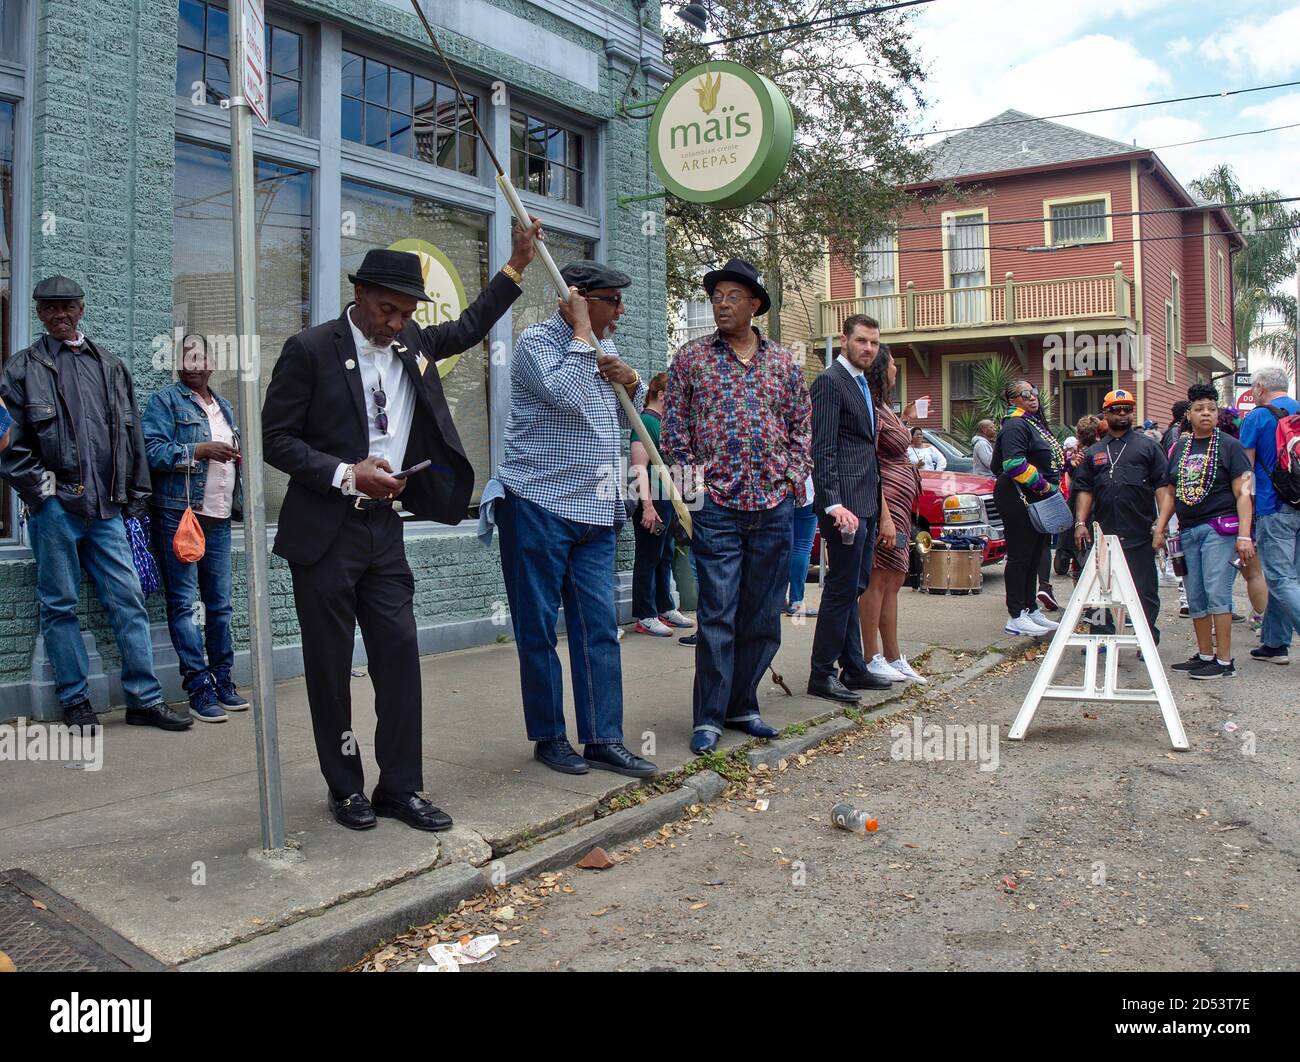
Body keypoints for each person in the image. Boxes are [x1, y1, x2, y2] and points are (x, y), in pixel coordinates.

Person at [263, 223, 540, 832]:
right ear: (358, 293)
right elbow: (276, 441)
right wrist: (344, 474)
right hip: (325, 533)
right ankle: (345, 789)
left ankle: (401, 788)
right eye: (388, 309)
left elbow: (467, 328)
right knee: (331, 669)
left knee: (399, 658)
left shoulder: (412, 343)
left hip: (384, 531)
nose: (396, 322)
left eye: (407, 312)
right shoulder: (309, 349)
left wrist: (516, 265)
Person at [0, 277, 190, 733]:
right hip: (54, 513)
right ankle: (75, 702)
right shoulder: (21, 368)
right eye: (50, 308)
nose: (60, 314)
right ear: (40, 314)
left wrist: (136, 501)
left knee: (128, 601)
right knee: (60, 605)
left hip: (109, 511)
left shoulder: (111, 366)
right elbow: (8, 442)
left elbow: (133, 440)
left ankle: (144, 700)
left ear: (82, 308)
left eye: (68, 305)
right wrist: (42, 494)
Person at [493, 261, 657, 779]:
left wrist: (632, 380)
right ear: (579, 297)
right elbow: (571, 396)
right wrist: (585, 334)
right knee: (538, 629)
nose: (622, 311)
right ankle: (548, 737)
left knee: (599, 630)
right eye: (612, 299)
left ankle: (604, 738)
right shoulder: (536, 344)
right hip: (539, 504)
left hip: (597, 511)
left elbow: (621, 409)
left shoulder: (602, 349)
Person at [663, 258, 812, 754]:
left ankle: (743, 705)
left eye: (732, 296)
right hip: (718, 507)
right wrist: (691, 493)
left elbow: (801, 429)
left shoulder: (784, 363)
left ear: (755, 305)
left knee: (763, 615)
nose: (722, 304)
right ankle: (708, 716)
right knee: (718, 613)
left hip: (773, 506)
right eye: (716, 296)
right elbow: (675, 430)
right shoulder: (691, 359)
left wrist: (791, 478)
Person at [142, 334, 247, 723]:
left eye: (200, 357)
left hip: (218, 517)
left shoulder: (225, 406)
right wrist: (198, 451)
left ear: (211, 363)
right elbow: (150, 450)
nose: (194, 364)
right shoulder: (164, 401)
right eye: (186, 358)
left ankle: (223, 681)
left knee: (219, 604)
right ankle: (199, 689)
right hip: (179, 515)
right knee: (185, 604)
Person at [806, 314, 887, 704]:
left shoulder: (862, 382)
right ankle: (821, 674)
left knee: (855, 585)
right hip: (843, 506)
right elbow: (822, 448)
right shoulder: (829, 382)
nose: (868, 348)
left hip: (865, 501)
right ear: (844, 340)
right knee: (840, 588)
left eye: (873, 342)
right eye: (861, 341)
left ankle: (853, 668)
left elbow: (864, 448)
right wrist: (833, 502)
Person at [1155, 383, 1254, 679]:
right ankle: (1205, 654)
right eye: (1200, 409)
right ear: (1189, 413)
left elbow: (1244, 493)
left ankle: (1224, 662)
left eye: (1212, 408)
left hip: (1219, 529)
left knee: (1216, 592)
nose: (1206, 414)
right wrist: (1160, 527)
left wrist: (1245, 535)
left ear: (1218, 412)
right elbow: (1171, 493)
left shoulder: (1230, 446)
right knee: (1195, 594)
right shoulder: (1179, 447)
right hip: (1188, 530)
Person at [1070, 389, 1172, 644]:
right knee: (1099, 588)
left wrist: (1161, 525)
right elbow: (1085, 489)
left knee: (1144, 590)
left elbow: (1163, 486)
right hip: (1103, 533)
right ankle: (1100, 638)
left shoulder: (1148, 447)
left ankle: (1146, 637)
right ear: (1106, 413)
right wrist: (1080, 523)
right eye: (1117, 409)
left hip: (1140, 531)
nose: (1123, 414)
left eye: (1127, 409)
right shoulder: (1095, 451)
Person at [858, 344, 926, 684]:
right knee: (878, 578)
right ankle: (870, 655)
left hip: (901, 504)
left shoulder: (884, 406)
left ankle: (894, 655)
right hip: (884, 502)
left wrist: (905, 420)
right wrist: (882, 513)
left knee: (895, 580)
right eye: (893, 366)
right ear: (881, 369)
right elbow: (870, 461)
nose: (897, 371)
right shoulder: (869, 404)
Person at [991, 379, 1065, 636]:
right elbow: (1013, 464)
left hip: (1035, 499)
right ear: (1012, 400)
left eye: (1034, 392)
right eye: (1025, 394)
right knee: (1021, 555)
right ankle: (1015, 614)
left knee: (1035, 554)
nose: (1033, 397)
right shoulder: (1015, 425)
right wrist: (1044, 486)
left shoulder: (1032, 423)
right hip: (1018, 497)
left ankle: (1031, 608)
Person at [1240, 366, 1300, 664]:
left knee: (1279, 577)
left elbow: (1245, 469)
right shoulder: (1298, 410)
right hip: (1298, 502)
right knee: (1291, 577)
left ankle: (1277, 641)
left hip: (1273, 505)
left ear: (1261, 387)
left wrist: (1244, 512)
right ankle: (1275, 642)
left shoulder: (1257, 417)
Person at [629, 371, 692, 637]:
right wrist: (648, 506)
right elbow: (639, 468)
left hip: (667, 498)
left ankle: (665, 607)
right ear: (663, 395)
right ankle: (645, 615)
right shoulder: (644, 421)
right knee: (648, 556)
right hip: (653, 498)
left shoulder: (663, 423)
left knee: (664, 554)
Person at [784, 474, 818, 618]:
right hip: (805, 489)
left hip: (777, 491)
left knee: (778, 547)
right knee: (802, 547)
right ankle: (796, 601)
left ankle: (777, 599)